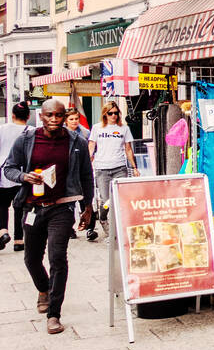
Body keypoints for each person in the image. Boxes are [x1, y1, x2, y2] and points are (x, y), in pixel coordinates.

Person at [3, 98, 95, 333]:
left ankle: (54, 314)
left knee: (57, 257)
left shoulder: (76, 141)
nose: (54, 119)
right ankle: (43, 289)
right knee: (31, 258)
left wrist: (87, 207)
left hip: (62, 207)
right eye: (49, 115)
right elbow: (9, 168)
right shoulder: (26, 139)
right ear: (40, 117)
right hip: (33, 207)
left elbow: (86, 175)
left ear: (64, 117)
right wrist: (25, 177)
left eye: (58, 115)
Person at [88, 101, 140, 238]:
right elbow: (91, 146)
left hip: (119, 167)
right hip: (102, 168)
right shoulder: (97, 128)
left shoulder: (124, 128)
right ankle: (103, 218)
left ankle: (118, 229)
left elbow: (128, 149)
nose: (114, 116)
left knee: (120, 200)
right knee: (106, 201)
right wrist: (88, 163)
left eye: (116, 113)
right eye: (110, 113)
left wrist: (134, 167)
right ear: (105, 114)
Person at [0, 102, 32, 251]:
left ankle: (3, 231)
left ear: (12, 115)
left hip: (4, 173)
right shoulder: (32, 131)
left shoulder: (2, 129)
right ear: (28, 116)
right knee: (19, 207)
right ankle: (19, 241)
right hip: (23, 175)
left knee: (2, 205)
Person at [64, 107, 90, 239]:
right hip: (68, 171)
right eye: (71, 119)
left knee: (86, 199)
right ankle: (69, 228)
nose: (74, 121)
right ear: (66, 121)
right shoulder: (62, 134)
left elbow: (91, 149)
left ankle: (89, 228)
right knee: (70, 203)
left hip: (82, 169)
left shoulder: (84, 133)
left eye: (76, 119)